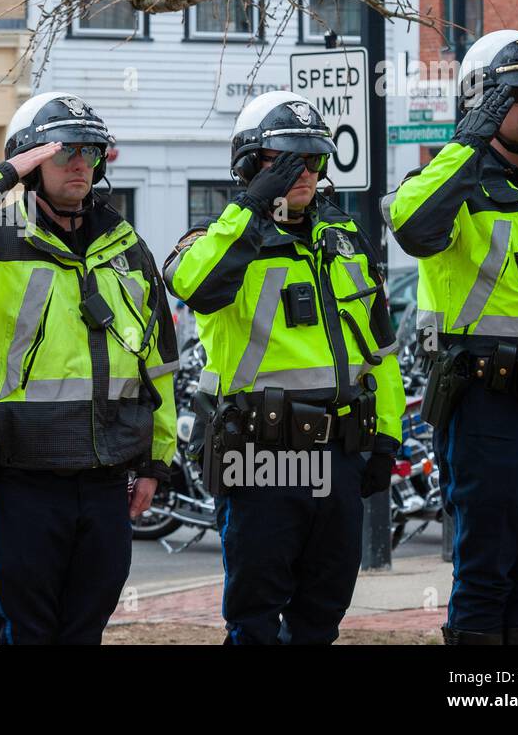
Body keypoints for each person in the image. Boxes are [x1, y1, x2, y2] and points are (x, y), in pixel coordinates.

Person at [0, 92, 178, 645]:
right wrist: (5, 174)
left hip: (105, 481)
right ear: (32, 159)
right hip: (22, 480)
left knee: (85, 629)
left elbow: (160, 364)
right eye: (65, 150)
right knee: (28, 632)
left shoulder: (128, 247)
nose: (81, 163)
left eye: (91, 151)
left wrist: (157, 463)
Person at [384, 30, 518, 645]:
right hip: (490, 410)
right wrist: (470, 136)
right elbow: (411, 227)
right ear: (481, 101)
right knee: (485, 579)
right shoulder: (450, 184)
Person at [164, 91, 403, 645]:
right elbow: (196, 285)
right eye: (288, 160)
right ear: (249, 166)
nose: (305, 172)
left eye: (314, 160)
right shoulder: (215, 241)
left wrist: (386, 437)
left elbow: (380, 351)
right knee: (255, 617)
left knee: (322, 614)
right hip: (260, 456)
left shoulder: (343, 241)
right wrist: (251, 206)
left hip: (340, 450)